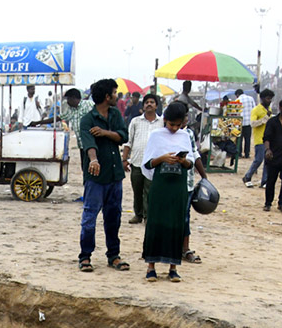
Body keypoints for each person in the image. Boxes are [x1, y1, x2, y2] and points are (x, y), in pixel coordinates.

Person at [77, 78, 128, 272]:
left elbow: (123, 136)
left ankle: (113, 256)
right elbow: (89, 143)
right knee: (90, 217)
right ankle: (85, 256)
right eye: (115, 93)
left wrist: (105, 133)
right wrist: (94, 160)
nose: (117, 96)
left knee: (114, 217)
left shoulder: (115, 114)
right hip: (96, 177)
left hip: (115, 175)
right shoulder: (87, 119)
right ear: (107, 96)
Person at [140, 101, 194, 283]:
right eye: (171, 125)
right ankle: (151, 266)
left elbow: (191, 163)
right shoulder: (156, 135)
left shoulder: (185, 136)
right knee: (156, 223)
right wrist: (163, 158)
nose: (174, 128)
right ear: (165, 120)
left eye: (178, 125)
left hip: (178, 187)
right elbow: (147, 164)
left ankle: (173, 267)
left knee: (175, 225)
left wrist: (182, 160)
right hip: (160, 186)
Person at [122, 92, 161, 224]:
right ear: (143, 106)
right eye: (146, 102)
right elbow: (129, 142)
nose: (149, 104)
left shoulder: (162, 123)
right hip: (137, 162)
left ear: (156, 106)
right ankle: (138, 214)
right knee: (137, 190)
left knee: (150, 192)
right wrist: (124, 159)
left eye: (152, 102)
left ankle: (148, 216)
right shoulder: (135, 121)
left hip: (154, 163)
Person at [241, 89, 275, 188]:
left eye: (270, 99)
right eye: (268, 98)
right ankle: (247, 176)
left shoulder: (269, 110)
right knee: (259, 160)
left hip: (268, 139)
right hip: (259, 139)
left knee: (267, 161)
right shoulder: (256, 110)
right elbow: (253, 123)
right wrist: (264, 119)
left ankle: (264, 181)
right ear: (262, 98)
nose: (269, 101)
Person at [235, 88, 256, 158]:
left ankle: (239, 153)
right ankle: (247, 154)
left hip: (239, 123)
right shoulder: (251, 99)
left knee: (239, 139)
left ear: (237, 95)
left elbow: (235, 112)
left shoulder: (237, 100)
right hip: (249, 122)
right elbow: (254, 109)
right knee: (247, 139)